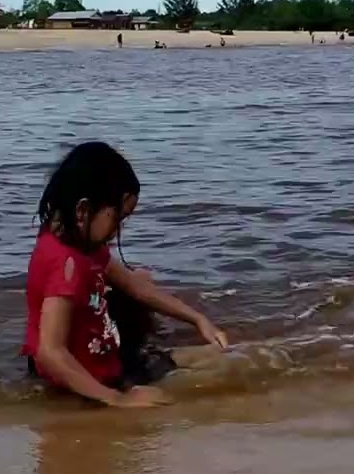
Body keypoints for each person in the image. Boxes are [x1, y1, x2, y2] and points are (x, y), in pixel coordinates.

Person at [21, 141, 230, 408]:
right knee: (202, 382)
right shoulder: (66, 264)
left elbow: (135, 287)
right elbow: (50, 352)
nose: (118, 230)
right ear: (84, 210)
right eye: (117, 219)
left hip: (100, 357)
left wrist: (198, 319)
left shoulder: (79, 243)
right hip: (87, 383)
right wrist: (118, 399)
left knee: (141, 277)